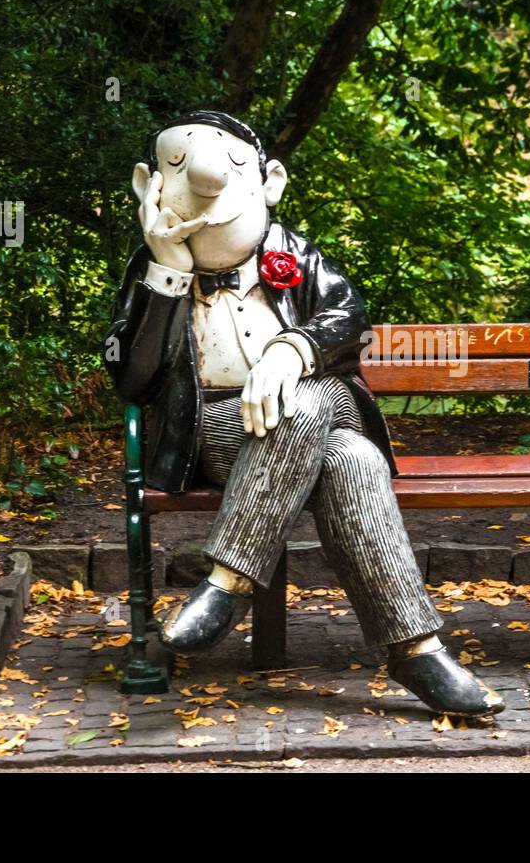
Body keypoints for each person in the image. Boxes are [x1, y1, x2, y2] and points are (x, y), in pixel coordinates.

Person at [104, 111, 503, 717]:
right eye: (179, 166)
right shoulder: (150, 273)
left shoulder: (297, 257)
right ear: (150, 185)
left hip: (321, 406)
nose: (209, 181)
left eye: (234, 167)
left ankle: (228, 583)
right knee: (353, 460)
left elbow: (351, 319)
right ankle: (415, 649)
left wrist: (292, 350)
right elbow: (131, 377)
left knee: (307, 397)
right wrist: (168, 273)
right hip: (217, 434)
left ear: (269, 183)